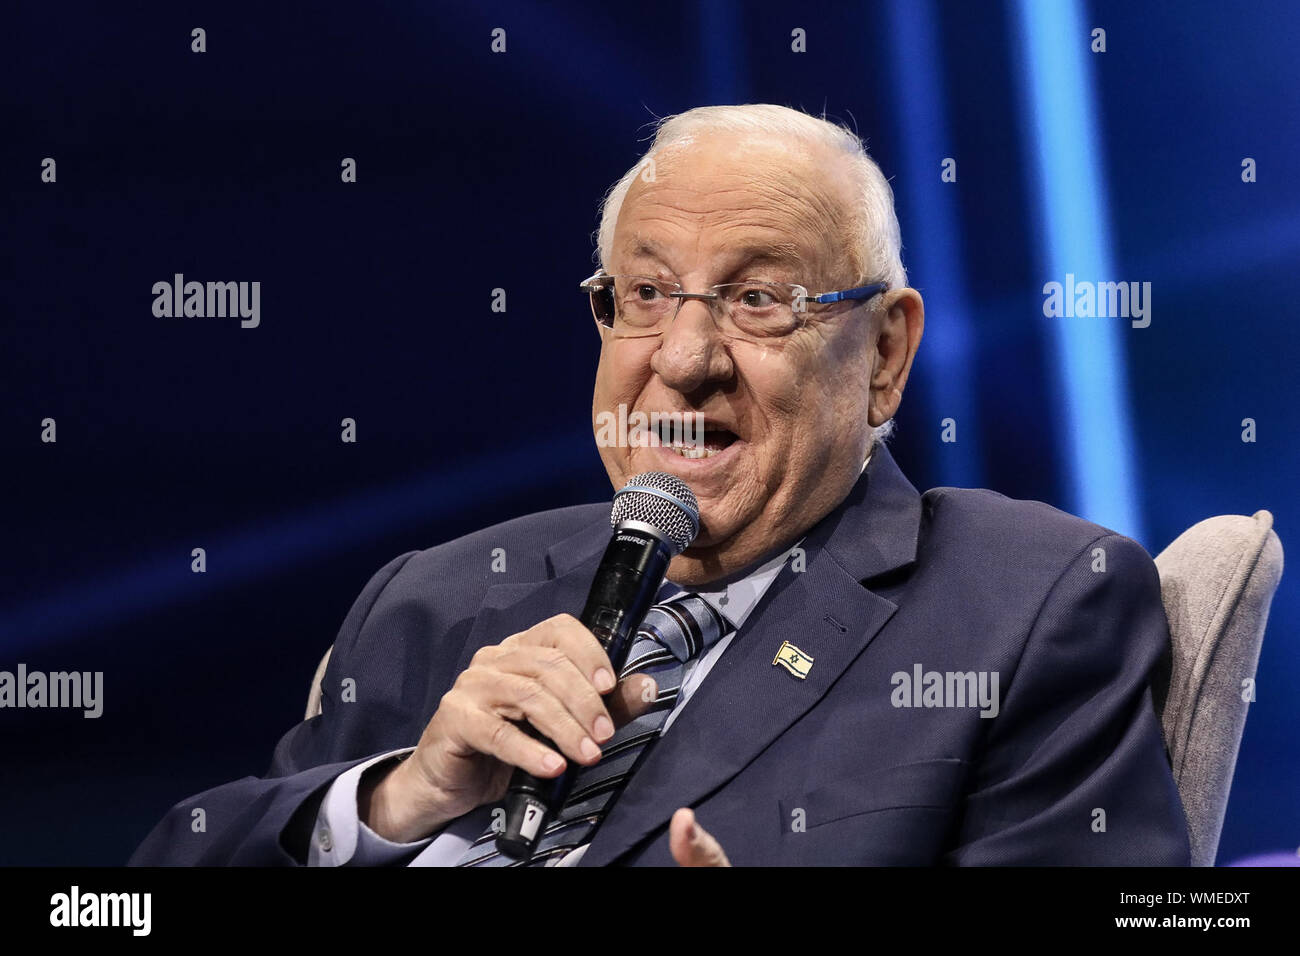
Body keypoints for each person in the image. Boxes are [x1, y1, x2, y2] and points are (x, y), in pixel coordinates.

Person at [129, 104, 1190, 867]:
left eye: (758, 299)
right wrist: (396, 800)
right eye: (644, 293)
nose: (683, 357)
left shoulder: (1027, 603)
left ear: (882, 354)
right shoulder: (433, 597)